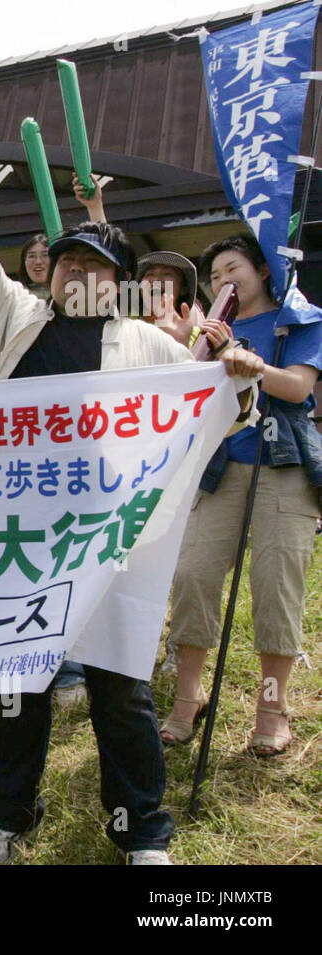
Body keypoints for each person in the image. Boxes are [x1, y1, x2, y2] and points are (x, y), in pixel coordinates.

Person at [0, 132, 262, 865]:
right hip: (12, 538)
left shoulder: (150, 345)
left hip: (109, 544)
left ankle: (143, 826)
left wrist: (235, 372)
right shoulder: (15, 318)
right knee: (14, 685)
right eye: (69, 260)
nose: (79, 272)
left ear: (119, 280)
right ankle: (7, 813)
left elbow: (217, 401)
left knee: (120, 688)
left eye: (96, 265)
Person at [163, 235, 322, 758]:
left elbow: (298, 388)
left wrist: (253, 365)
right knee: (193, 574)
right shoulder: (212, 333)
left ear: (261, 270)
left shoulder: (298, 320)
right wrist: (195, 346)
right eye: (213, 277)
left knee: (276, 585)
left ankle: (272, 708)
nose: (222, 280)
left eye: (232, 268)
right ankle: (188, 698)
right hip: (221, 469)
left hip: (283, 466)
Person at [18, 233, 51, 301]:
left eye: (45, 255)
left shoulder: (67, 294)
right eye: (32, 256)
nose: (38, 262)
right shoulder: (17, 297)